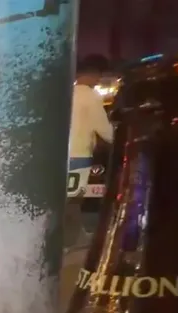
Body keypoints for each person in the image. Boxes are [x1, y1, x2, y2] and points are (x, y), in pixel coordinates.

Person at [65, 54, 114, 247]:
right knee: (73, 199)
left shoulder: (68, 93)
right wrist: (118, 138)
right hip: (79, 155)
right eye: (99, 76)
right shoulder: (91, 96)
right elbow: (104, 129)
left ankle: (76, 236)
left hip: (64, 154)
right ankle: (71, 241)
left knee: (68, 198)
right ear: (93, 74)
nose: (99, 81)